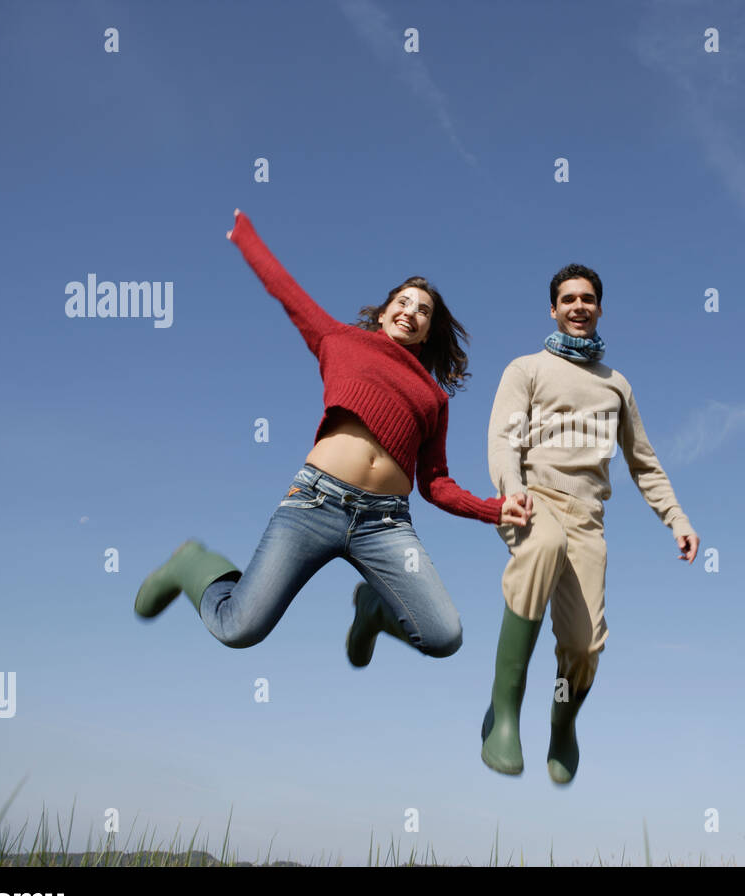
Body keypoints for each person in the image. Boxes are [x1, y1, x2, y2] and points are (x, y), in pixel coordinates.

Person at [134, 209, 531, 664]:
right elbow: (286, 290)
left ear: (428, 329)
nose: (412, 312)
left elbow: (435, 483)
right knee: (238, 627)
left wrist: (493, 509)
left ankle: (374, 611)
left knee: (444, 635)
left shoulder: (433, 398)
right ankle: (192, 563)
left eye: (423, 310)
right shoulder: (338, 340)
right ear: (383, 313)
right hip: (313, 505)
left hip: (385, 524)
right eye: (403, 302)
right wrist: (245, 236)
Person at [481, 263, 699, 784]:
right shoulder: (526, 369)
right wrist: (512, 491)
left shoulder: (616, 386)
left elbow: (643, 463)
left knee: (583, 644)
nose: (578, 306)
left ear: (600, 309)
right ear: (553, 309)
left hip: (588, 519)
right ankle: (503, 712)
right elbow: (503, 441)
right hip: (532, 499)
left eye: (588, 299)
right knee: (542, 546)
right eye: (568, 298)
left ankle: (562, 720)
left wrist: (677, 518)